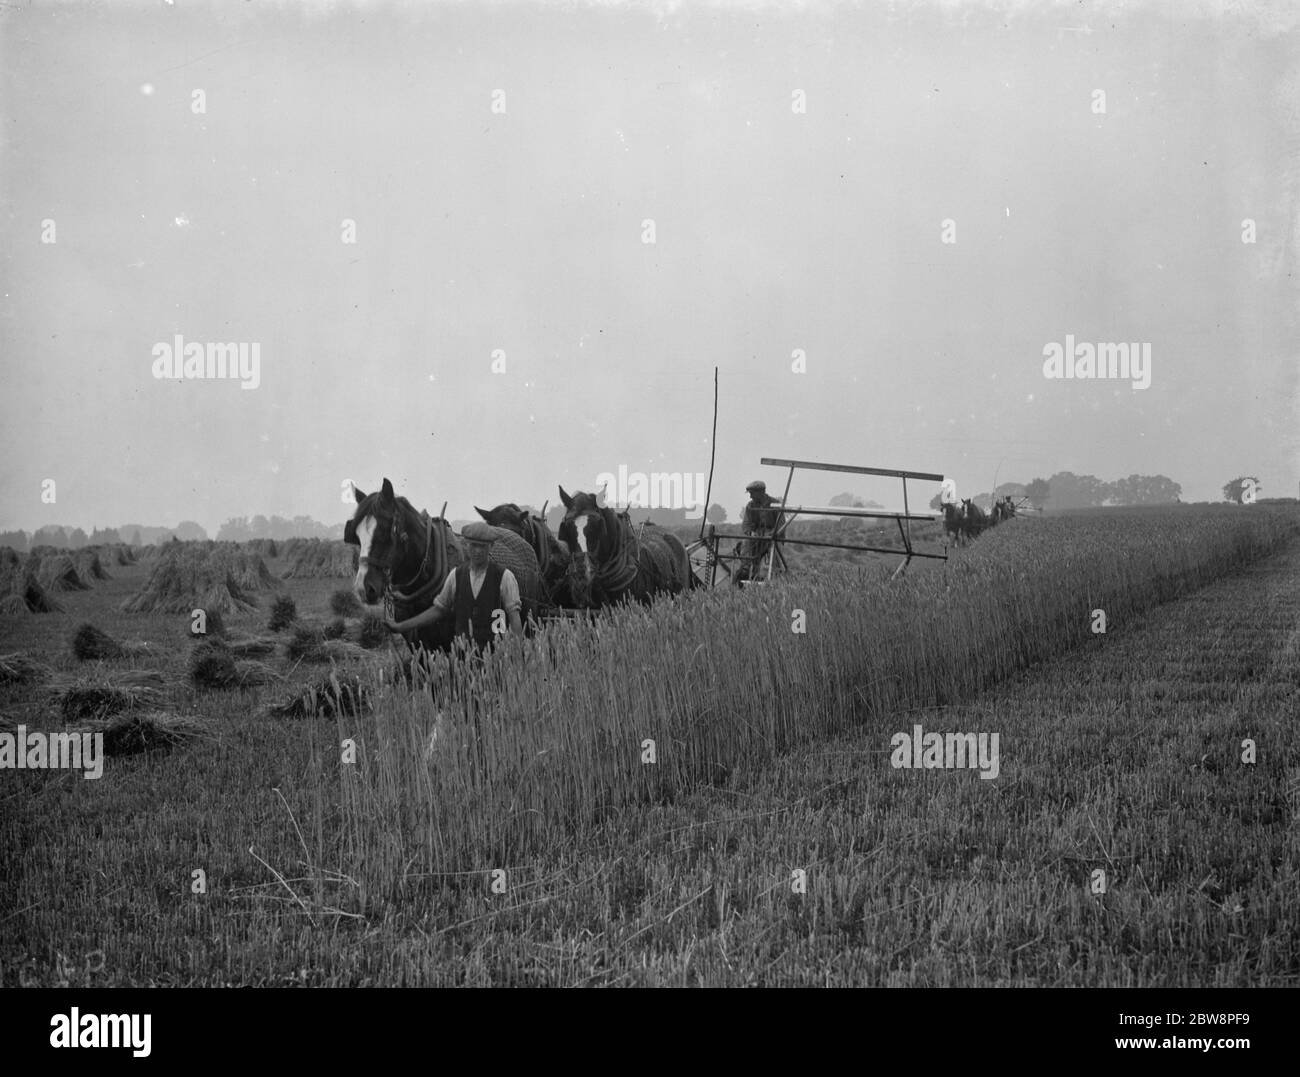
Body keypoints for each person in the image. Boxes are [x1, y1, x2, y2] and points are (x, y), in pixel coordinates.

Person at [385, 522, 523, 650]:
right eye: (473, 545)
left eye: (483, 546)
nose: (477, 551)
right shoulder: (456, 576)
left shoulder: (505, 577)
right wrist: (401, 626)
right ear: (466, 545)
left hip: (495, 657)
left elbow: (514, 618)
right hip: (462, 658)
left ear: (491, 546)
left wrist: (516, 655)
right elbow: (438, 610)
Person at [735, 480, 783, 581]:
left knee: (773, 553)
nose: (750, 496)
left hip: (771, 534)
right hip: (757, 534)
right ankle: (746, 569)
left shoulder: (775, 504)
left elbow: (781, 524)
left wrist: (774, 534)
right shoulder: (750, 505)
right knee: (746, 543)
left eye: (752, 493)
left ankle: (776, 575)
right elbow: (746, 524)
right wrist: (751, 532)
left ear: (760, 492)